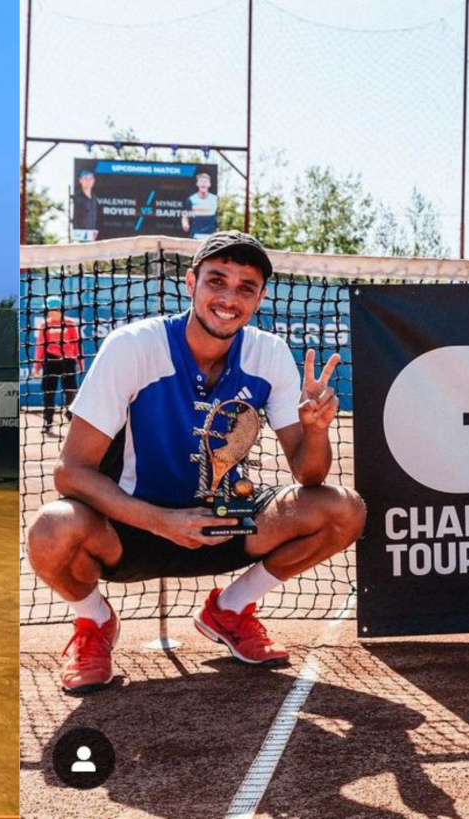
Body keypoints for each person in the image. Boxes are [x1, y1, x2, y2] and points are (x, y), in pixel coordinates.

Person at [26, 230, 366, 694]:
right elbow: (71, 471)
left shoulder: (269, 353)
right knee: (50, 529)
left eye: (245, 287)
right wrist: (162, 521)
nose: (229, 298)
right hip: (130, 529)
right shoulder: (133, 346)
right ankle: (95, 622)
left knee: (343, 509)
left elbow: (309, 476)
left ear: (261, 298)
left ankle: (230, 609)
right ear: (191, 283)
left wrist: (316, 429)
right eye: (216, 281)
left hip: (224, 523)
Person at [32, 295, 82, 435]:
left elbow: (76, 344)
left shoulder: (70, 323)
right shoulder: (44, 325)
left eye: (49, 309)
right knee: (48, 393)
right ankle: (48, 423)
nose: (47, 312)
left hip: (68, 361)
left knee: (70, 391)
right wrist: (37, 367)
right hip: (51, 361)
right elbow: (40, 346)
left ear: (58, 309)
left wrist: (80, 362)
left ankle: (69, 413)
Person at [181, 172, 219, 239]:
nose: (203, 183)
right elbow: (185, 215)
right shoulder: (191, 199)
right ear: (197, 184)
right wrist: (185, 223)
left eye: (205, 181)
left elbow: (220, 216)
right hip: (195, 236)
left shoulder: (215, 199)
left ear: (209, 184)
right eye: (201, 181)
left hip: (211, 237)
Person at [72, 168, 99, 241]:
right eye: (85, 179)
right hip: (79, 237)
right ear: (80, 180)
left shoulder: (94, 198)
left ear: (93, 180)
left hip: (92, 237)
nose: (88, 181)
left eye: (90, 179)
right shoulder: (76, 198)